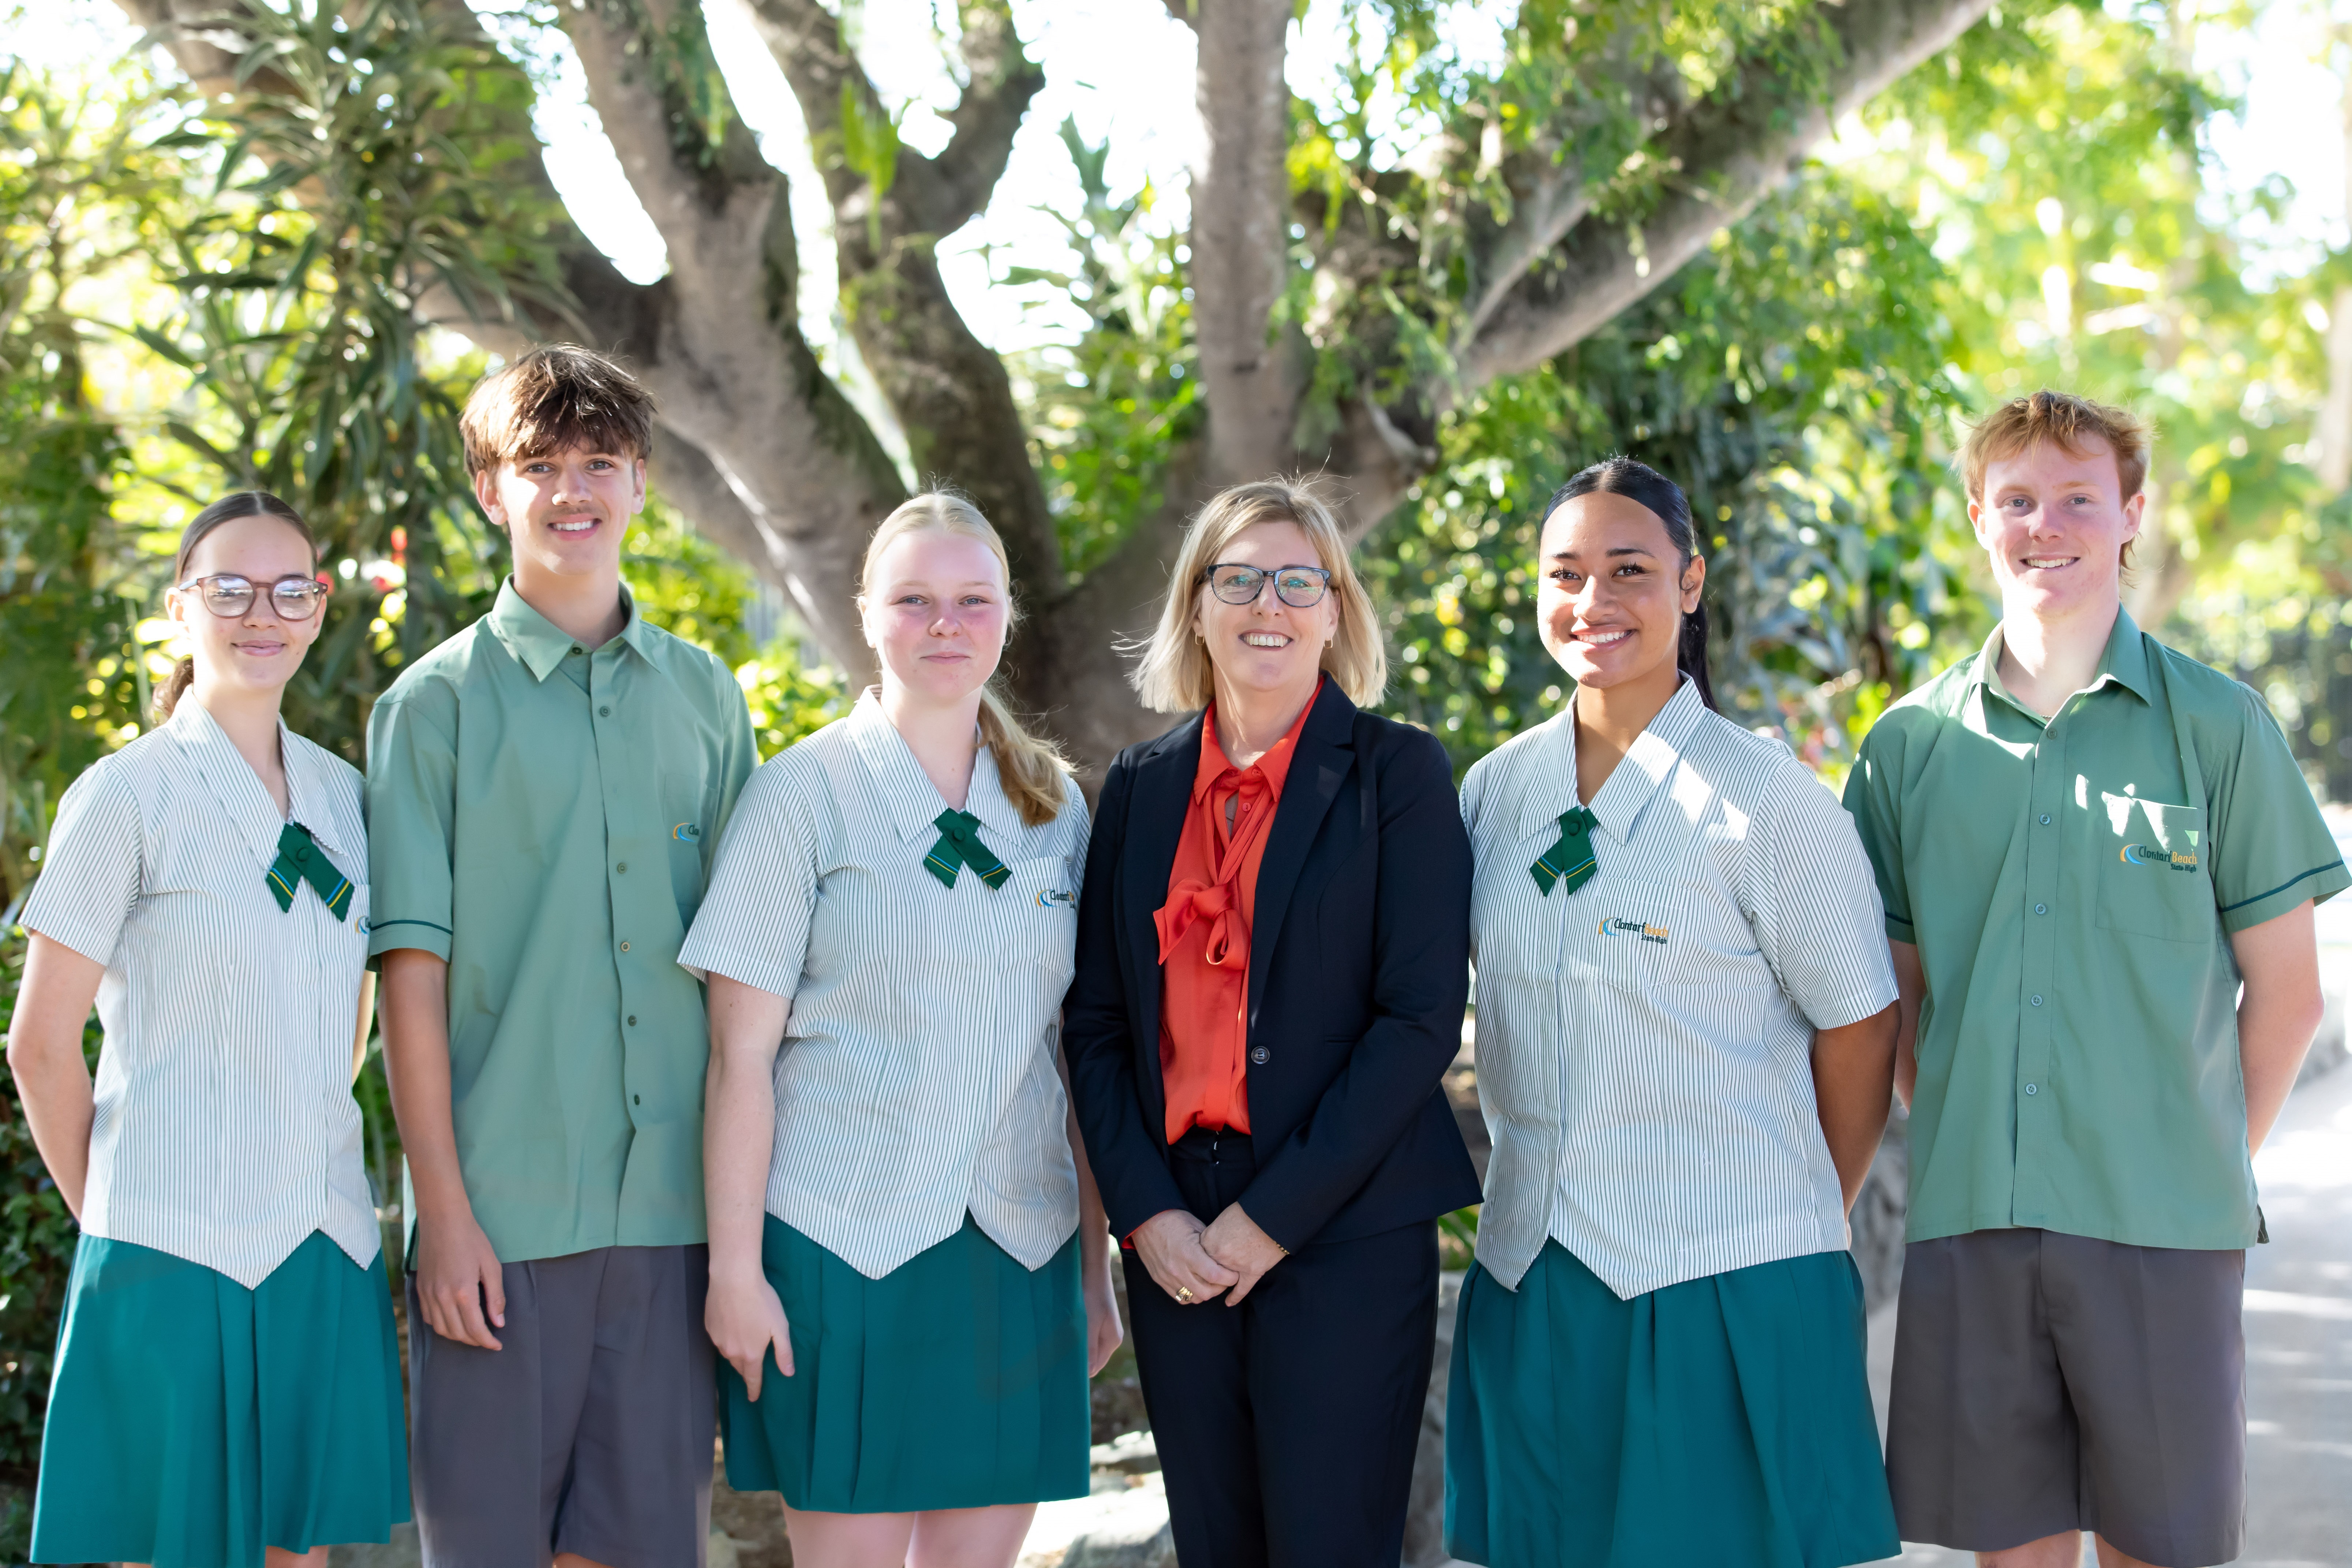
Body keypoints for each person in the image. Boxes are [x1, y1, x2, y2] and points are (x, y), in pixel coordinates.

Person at [1843, 391, 2345, 1568]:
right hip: (1976, 1224)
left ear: (2130, 513)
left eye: (2077, 496)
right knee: (2007, 1553)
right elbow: (1893, 1004)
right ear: (1977, 518)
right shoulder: (1908, 747)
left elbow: (2288, 995)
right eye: (2015, 500)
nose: (2045, 524)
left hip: (2161, 1229)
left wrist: (2198, 1154)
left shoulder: (2218, 728)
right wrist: (1962, 1127)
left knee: (2157, 1552)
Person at [1442, 457, 1903, 1568]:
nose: (1592, 602)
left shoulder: (1770, 802)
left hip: (1724, 1275)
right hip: (1534, 1274)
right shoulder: (1491, 793)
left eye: (1629, 570)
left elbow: (1859, 1027)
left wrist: (1798, 1202)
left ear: (1690, 584)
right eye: (1565, 573)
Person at [367, 346, 756, 1567]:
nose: (571, 491)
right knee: (487, 1551)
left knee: (642, 1550)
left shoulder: (707, 698)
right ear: (492, 491)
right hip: (501, 1217)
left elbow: (750, 970)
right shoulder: (430, 711)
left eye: (600, 463)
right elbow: (408, 985)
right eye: (539, 466)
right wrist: (444, 1213)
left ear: (641, 483)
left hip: (674, 1217)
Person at [679, 492, 1121, 1568]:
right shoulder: (801, 797)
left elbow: (1075, 1055)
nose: (944, 625)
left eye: (972, 601)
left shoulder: (1053, 810)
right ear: (866, 612)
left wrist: (1095, 1270)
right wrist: (735, 1275)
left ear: (1007, 617)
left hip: (1019, 1249)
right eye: (915, 599)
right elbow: (738, 1061)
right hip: (840, 1249)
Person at [1063, 477, 1480, 1567]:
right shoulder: (1141, 787)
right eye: (1238, 578)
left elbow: (1420, 1019)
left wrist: (1271, 1217)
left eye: (1300, 580)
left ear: (1336, 610)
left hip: (1340, 1229)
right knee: (1216, 1547)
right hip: (1177, 1244)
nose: (1270, 604)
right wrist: (1143, 1214)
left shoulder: (1398, 773)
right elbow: (1099, 1023)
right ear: (1195, 607)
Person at [7, 492, 407, 1567]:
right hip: (166, 1247)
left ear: (322, 608)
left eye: (289, 589)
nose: (258, 612)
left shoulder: (348, 801)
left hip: (321, 1239)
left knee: (299, 1557)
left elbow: (359, 1020)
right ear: (182, 607)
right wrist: (117, 1218)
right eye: (227, 588)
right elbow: (38, 1047)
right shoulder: (124, 796)